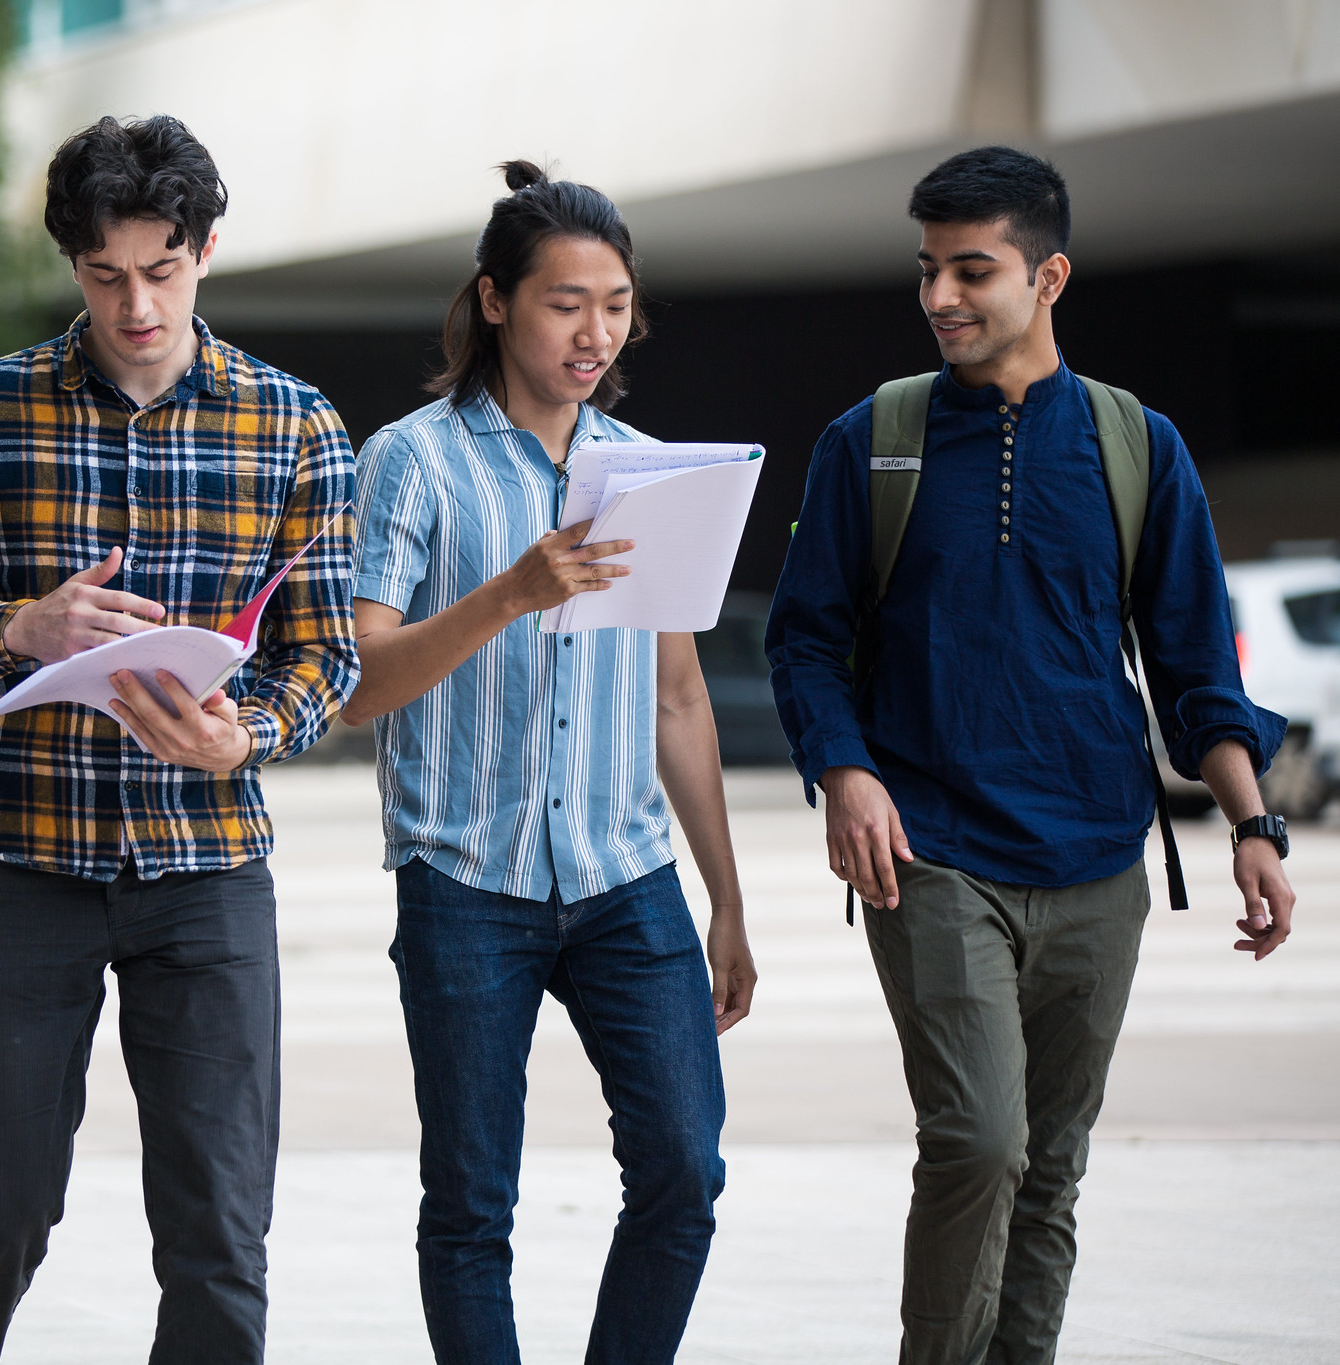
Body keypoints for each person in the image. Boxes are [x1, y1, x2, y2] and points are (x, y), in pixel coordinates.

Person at [767, 145, 1296, 1365]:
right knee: (977, 1142)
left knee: (1050, 1169)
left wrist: (1252, 826)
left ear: (1048, 275)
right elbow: (805, 641)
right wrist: (845, 771)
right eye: (927, 270)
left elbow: (1192, 662)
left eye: (972, 270)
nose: (940, 296)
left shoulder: (1135, 445)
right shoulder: (873, 440)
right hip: (932, 850)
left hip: (1098, 859)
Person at [0, 114, 357, 1365]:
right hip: (15, 871)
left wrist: (243, 734)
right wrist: (20, 626)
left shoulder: (297, 427)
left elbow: (328, 656)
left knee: (217, 1232)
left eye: (162, 269)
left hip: (205, 874)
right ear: (71, 264)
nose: (136, 304)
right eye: (104, 276)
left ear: (206, 249)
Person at [343, 160, 756, 1365]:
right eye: (565, 301)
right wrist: (512, 593)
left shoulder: (650, 470)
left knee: (683, 1170)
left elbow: (678, 697)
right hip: (465, 882)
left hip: (628, 879)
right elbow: (361, 687)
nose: (594, 331)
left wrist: (725, 898)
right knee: (471, 1205)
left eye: (616, 302)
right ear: (493, 301)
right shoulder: (409, 462)